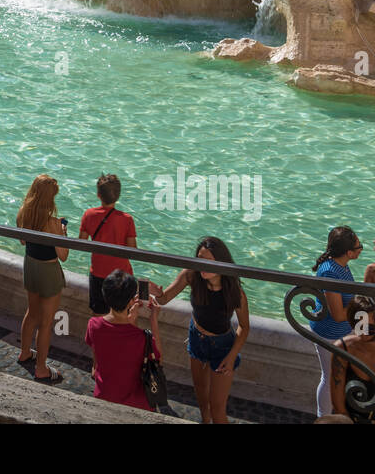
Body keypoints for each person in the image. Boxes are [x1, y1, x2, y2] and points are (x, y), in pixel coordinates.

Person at [156, 236, 250, 424]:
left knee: (218, 411)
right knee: (200, 392)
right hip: (196, 337)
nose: (202, 265)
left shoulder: (234, 292)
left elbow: (244, 326)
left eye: (208, 260)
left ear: (221, 262)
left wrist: (232, 357)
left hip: (222, 347)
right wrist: (156, 292)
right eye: (199, 259)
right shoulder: (191, 275)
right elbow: (163, 299)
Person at [16, 174, 69, 385]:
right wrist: (63, 232)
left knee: (31, 313)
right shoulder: (53, 223)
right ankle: (41, 369)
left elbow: (22, 241)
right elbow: (63, 256)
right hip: (48, 272)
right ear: (50, 199)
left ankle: (24, 353)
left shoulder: (23, 214)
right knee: (46, 323)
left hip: (30, 266)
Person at [84, 269, 163, 411]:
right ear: (131, 301)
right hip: (137, 405)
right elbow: (158, 359)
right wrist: (154, 320)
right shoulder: (141, 337)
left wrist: (130, 319)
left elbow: (97, 364)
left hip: (104, 395)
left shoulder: (93, 325)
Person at [307, 226, 362, 418]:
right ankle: (323, 417)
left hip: (342, 331)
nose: (361, 249)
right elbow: (338, 314)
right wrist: (362, 306)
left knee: (338, 377)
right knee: (330, 378)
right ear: (348, 252)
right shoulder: (330, 272)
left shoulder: (340, 265)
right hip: (329, 334)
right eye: (358, 246)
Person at [78, 174, 136, 315]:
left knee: (98, 314)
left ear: (98, 195)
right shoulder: (127, 219)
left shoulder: (89, 215)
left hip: (98, 272)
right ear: (118, 195)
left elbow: (81, 242)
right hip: (121, 275)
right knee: (122, 315)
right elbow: (133, 250)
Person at [329, 296, 375, 417]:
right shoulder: (343, 348)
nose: (364, 332)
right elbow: (338, 406)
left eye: (370, 328)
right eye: (359, 326)